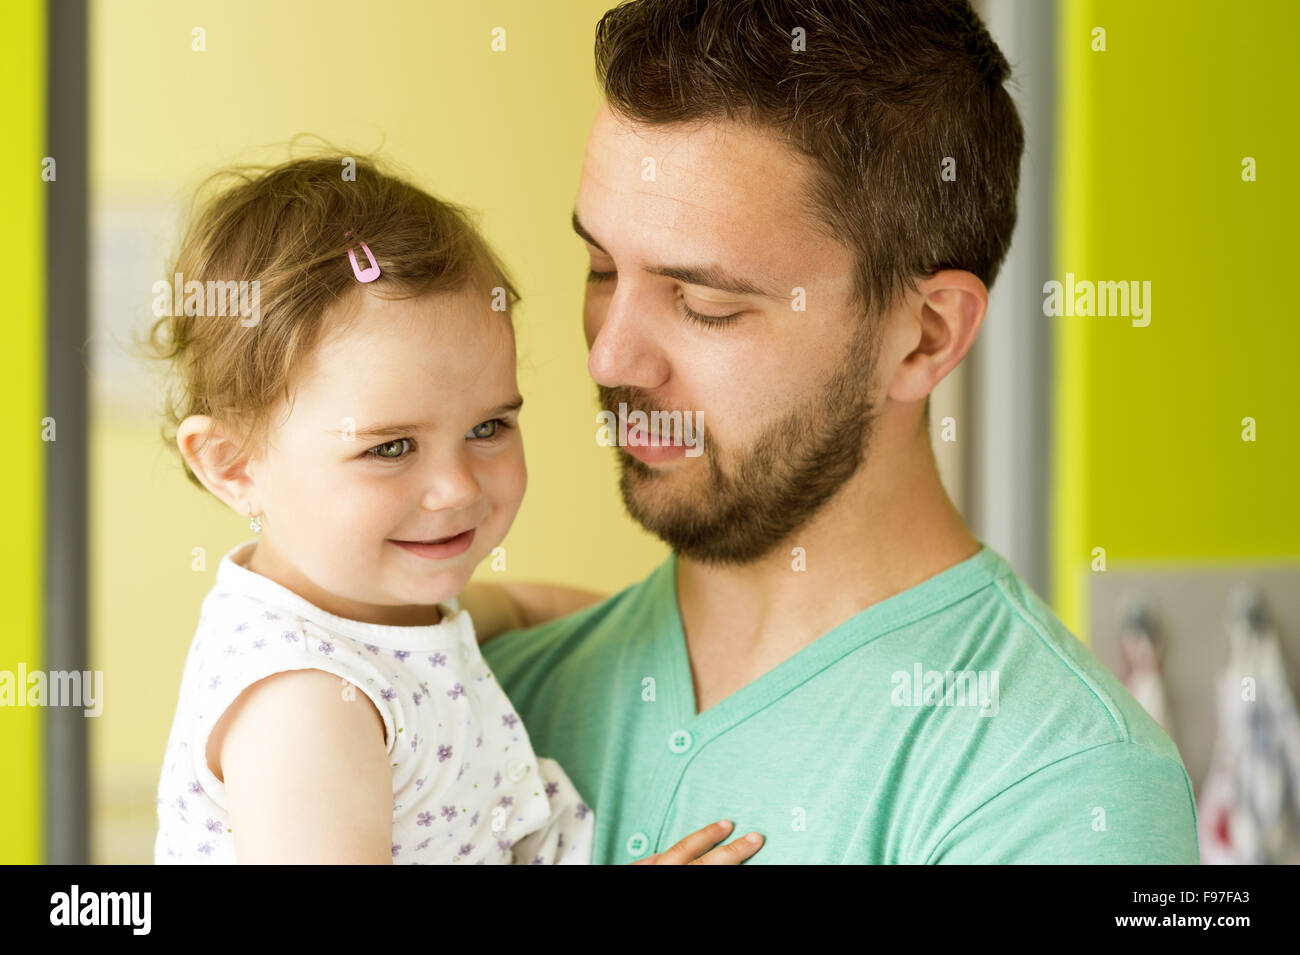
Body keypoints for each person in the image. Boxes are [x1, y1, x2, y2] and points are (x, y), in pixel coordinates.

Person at [476, 0, 1201, 863]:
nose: (610, 355)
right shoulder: (481, 698)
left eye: (705, 304)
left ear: (926, 333)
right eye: (601, 268)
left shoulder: (1064, 786)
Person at [146, 153, 761, 865]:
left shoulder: (381, 611)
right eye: (391, 447)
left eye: (487, 428)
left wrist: (697, 643)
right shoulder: (306, 705)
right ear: (234, 466)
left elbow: (525, 608)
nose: (459, 489)